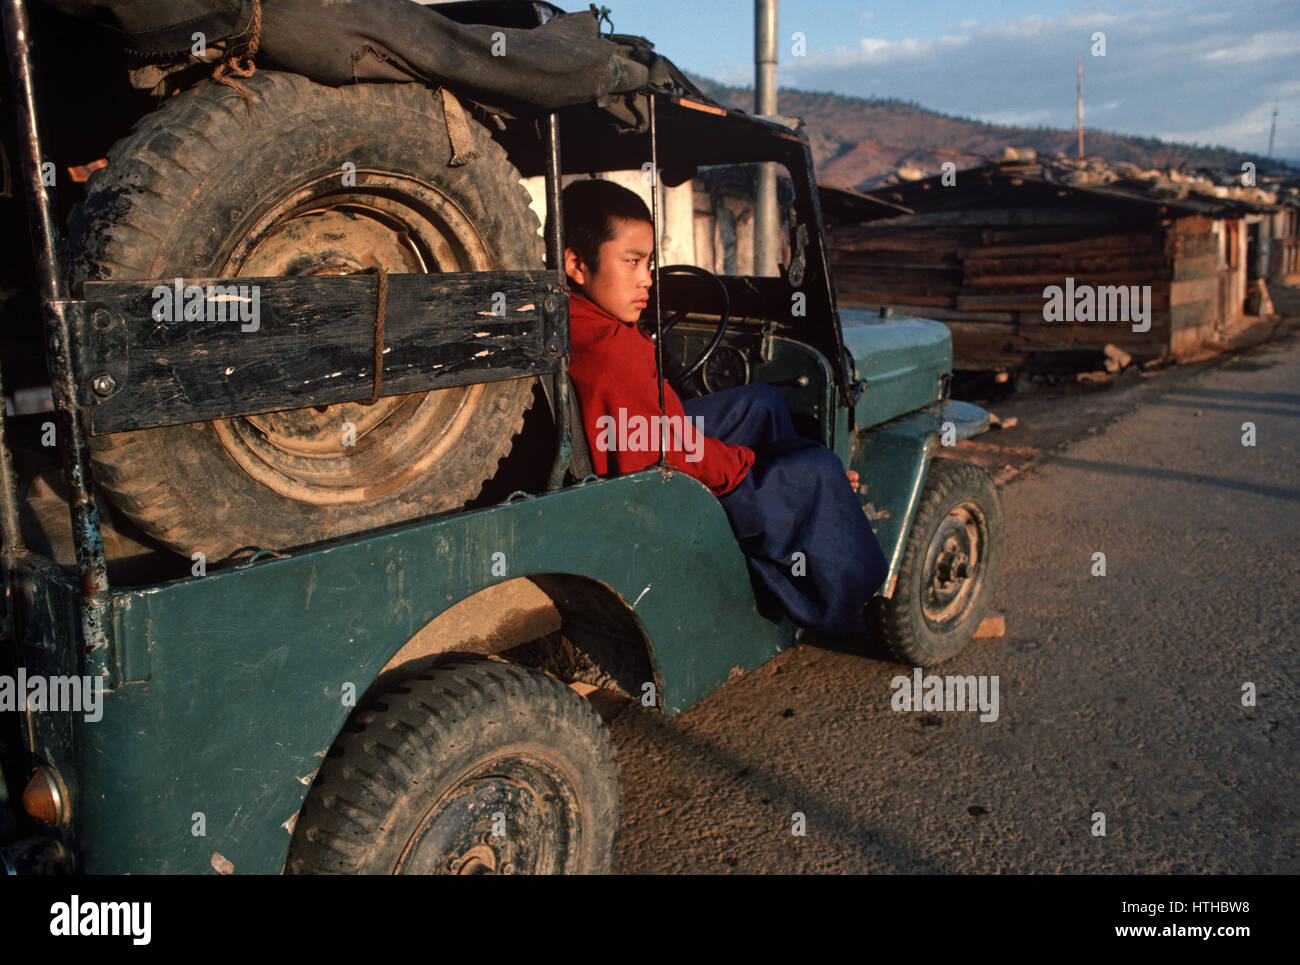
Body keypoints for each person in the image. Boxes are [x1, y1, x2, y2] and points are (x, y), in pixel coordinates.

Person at [561, 178, 888, 635]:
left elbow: (650, 420)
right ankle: (839, 593)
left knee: (760, 402)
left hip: (638, 435)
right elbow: (669, 451)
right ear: (576, 263)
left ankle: (786, 515)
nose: (646, 280)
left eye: (649, 262)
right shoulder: (616, 349)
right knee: (816, 468)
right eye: (632, 262)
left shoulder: (578, 316)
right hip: (652, 486)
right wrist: (751, 464)